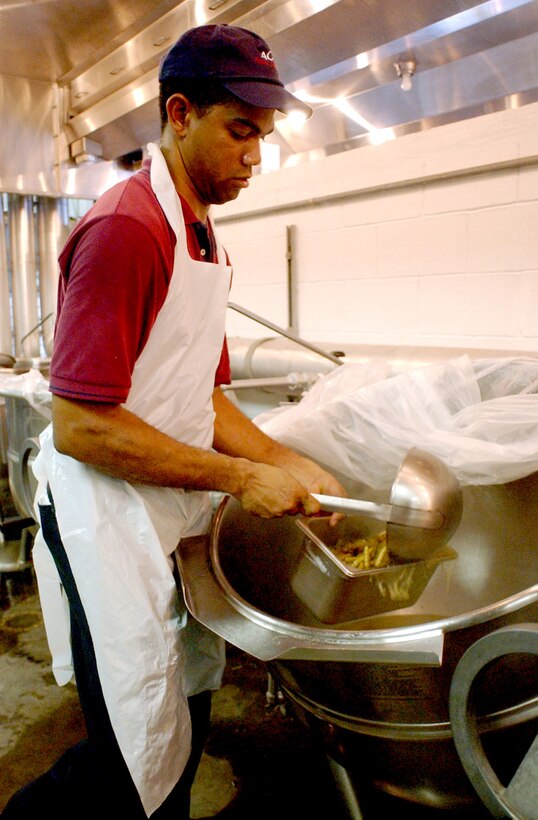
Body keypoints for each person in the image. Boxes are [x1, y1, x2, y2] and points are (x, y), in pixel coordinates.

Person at [1, 23, 345, 820]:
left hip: (161, 514)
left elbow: (206, 397)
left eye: (261, 137)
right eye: (240, 132)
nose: (254, 157)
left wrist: (286, 461)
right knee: (133, 752)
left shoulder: (198, 230)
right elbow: (82, 425)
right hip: (103, 519)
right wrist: (239, 477)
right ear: (180, 113)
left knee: (176, 726)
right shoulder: (128, 230)